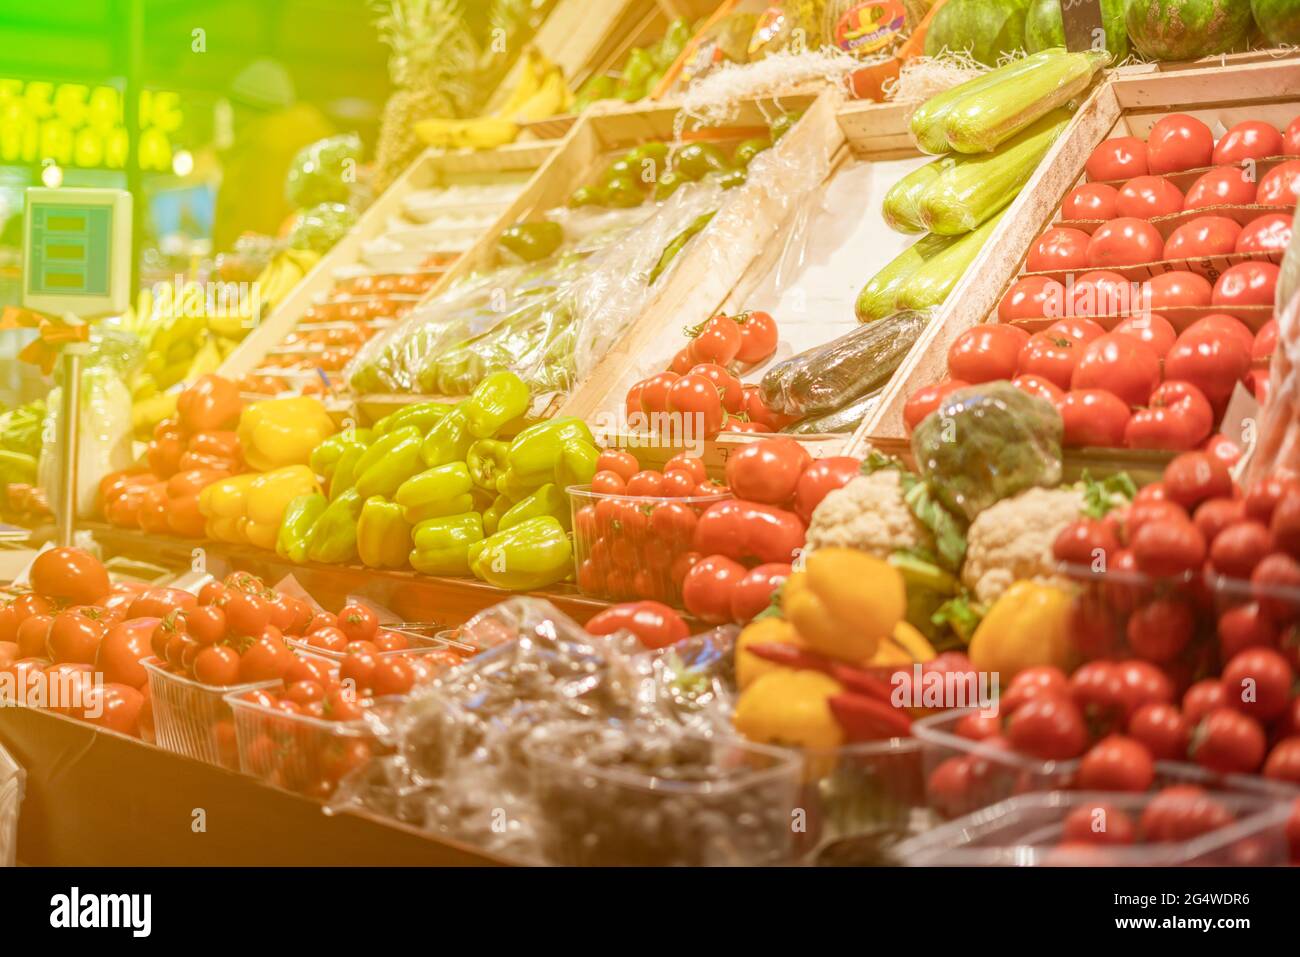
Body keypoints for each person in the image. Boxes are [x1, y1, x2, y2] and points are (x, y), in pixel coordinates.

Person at [211, 58, 335, 253]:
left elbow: (241, 223)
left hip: (249, 271)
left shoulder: (255, 149)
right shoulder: (318, 140)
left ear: (243, 109)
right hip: (300, 268)